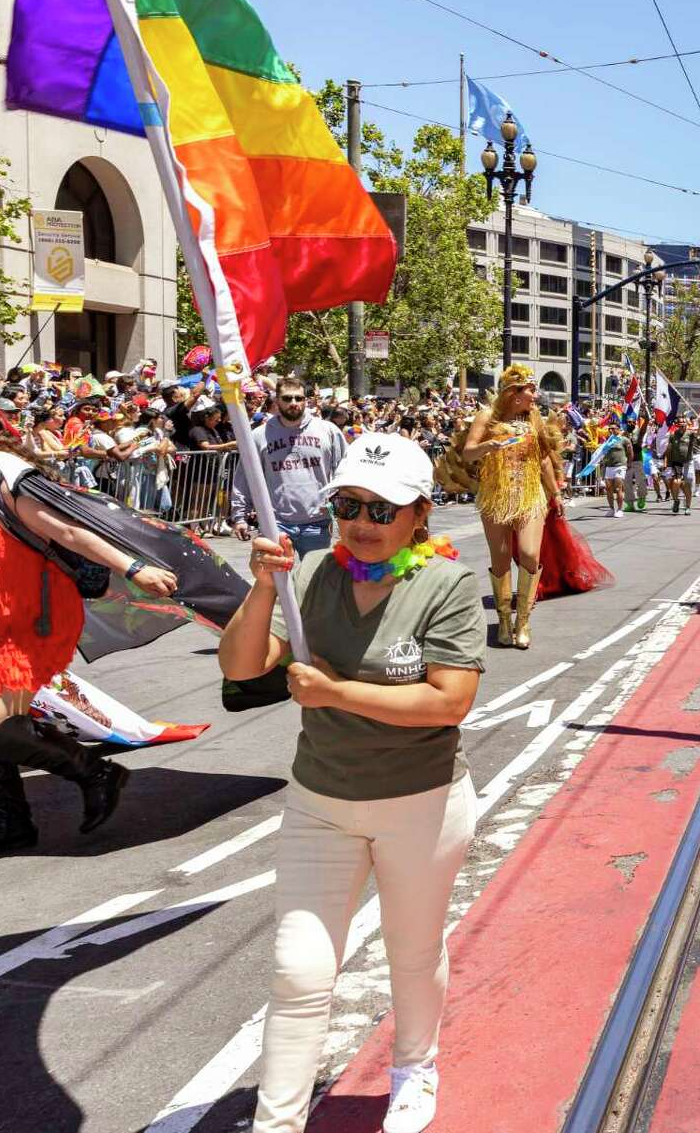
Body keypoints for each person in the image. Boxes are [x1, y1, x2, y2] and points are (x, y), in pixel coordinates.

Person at [219, 433, 482, 1133]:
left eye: (382, 508)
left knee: (413, 949)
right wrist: (263, 586)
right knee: (298, 971)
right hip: (320, 805)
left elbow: (449, 700)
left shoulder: (447, 585)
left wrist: (335, 692)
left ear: (420, 513)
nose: (362, 522)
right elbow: (245, 667)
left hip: (421, 806)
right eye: (349, 505)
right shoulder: (311, 574)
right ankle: (277, 1122)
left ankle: (414, 1068)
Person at [0, 436, 179, 851]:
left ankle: (93, 772)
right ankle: (11, 822)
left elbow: (66, 531)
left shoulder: (5, 471)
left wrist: (133, 570)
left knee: (1, 725)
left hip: (26, 620)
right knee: (6, 728)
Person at [460, 364, 562, 650]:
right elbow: (468, 453)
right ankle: (504, 621)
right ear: (513, 393)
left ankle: (524, 620)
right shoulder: (487, 417)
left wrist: (555, 493)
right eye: (530, 389)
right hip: (496, 496)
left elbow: (543, 459)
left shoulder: (534, 419)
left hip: (530, 495)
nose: (535, 394)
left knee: (529, 554)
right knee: (501, 558)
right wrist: (487, 446)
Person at [232, 379, 348, 557]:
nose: (294, 403)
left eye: (298, 398)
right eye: (287, 398)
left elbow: (344, 471)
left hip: (317, 522)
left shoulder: (327, 430)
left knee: (314, 581)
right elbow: (245, 477)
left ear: (305, 400)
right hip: (275, 523)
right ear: (277, 400)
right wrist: (240, 516)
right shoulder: (259, 436)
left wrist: (341, 508)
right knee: (274, 581)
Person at [598, 424, 633, 518]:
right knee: (609, 489)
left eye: (613, 428)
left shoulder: (624, 439)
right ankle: (611, 509)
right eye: (609, 428)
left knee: (618, 488)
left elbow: (630, 452)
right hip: (609, 466)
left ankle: (620, 509)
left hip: (620, 466)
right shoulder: (608, 440)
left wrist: (629, 463)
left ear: (618, 429)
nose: (610, 430)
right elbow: (603, 452)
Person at [663, 421, 696, 515]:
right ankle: (676, 500)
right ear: (677, 426)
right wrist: (666, 463)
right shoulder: (673, 435)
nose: (683, 426)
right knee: (676, 482)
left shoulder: (690, 434)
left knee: (687, 484)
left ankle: (688, 507)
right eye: (681, 425)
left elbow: (699, 433)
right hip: (676, 462)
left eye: (684, 424)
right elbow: (669, 449)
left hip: (688, 462)